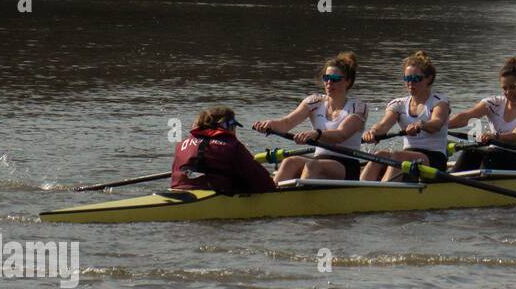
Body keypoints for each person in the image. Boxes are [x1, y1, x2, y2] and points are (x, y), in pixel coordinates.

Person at [252, 52, 368, 182]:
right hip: (319, 159)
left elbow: (341, 135)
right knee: (289, 162)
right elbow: (286, 123)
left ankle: (299, 198)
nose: (329, 82)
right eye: (326, 78)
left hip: (346, 164)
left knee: (312, 165)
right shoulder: (314, 101)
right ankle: (272, 196)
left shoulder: (358, 107)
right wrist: (270, 125)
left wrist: (316, 134)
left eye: (335, 79)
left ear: (348, 81)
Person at [361, 51, 451, 181]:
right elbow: (383, 125)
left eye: (415, 79)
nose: (410, 83)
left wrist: (421, 124)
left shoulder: (440, 102)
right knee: (379, 155)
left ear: (429, 79)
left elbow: (436, 123)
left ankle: (383, 192)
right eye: (407, 79)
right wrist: (372, 132)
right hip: (408, 156)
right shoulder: (399, 104)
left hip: (433, 159)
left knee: (397, 156)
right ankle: (360, 188)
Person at [449, 57, 516, 171]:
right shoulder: (494, 103)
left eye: (513, 87)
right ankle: (448, 183)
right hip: (494, 154)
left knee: (491, 156)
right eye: (504, 88)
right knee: (470, 152)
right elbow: (466, 116)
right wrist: (443, 125)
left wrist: (496, 137)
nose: (508, 92)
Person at [171, 107, 275, 194]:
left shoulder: (181, 144)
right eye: (234, 127)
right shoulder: (232, 146)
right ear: (228, 126)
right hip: (215, 196)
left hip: (179, 192)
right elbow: (265, 184)